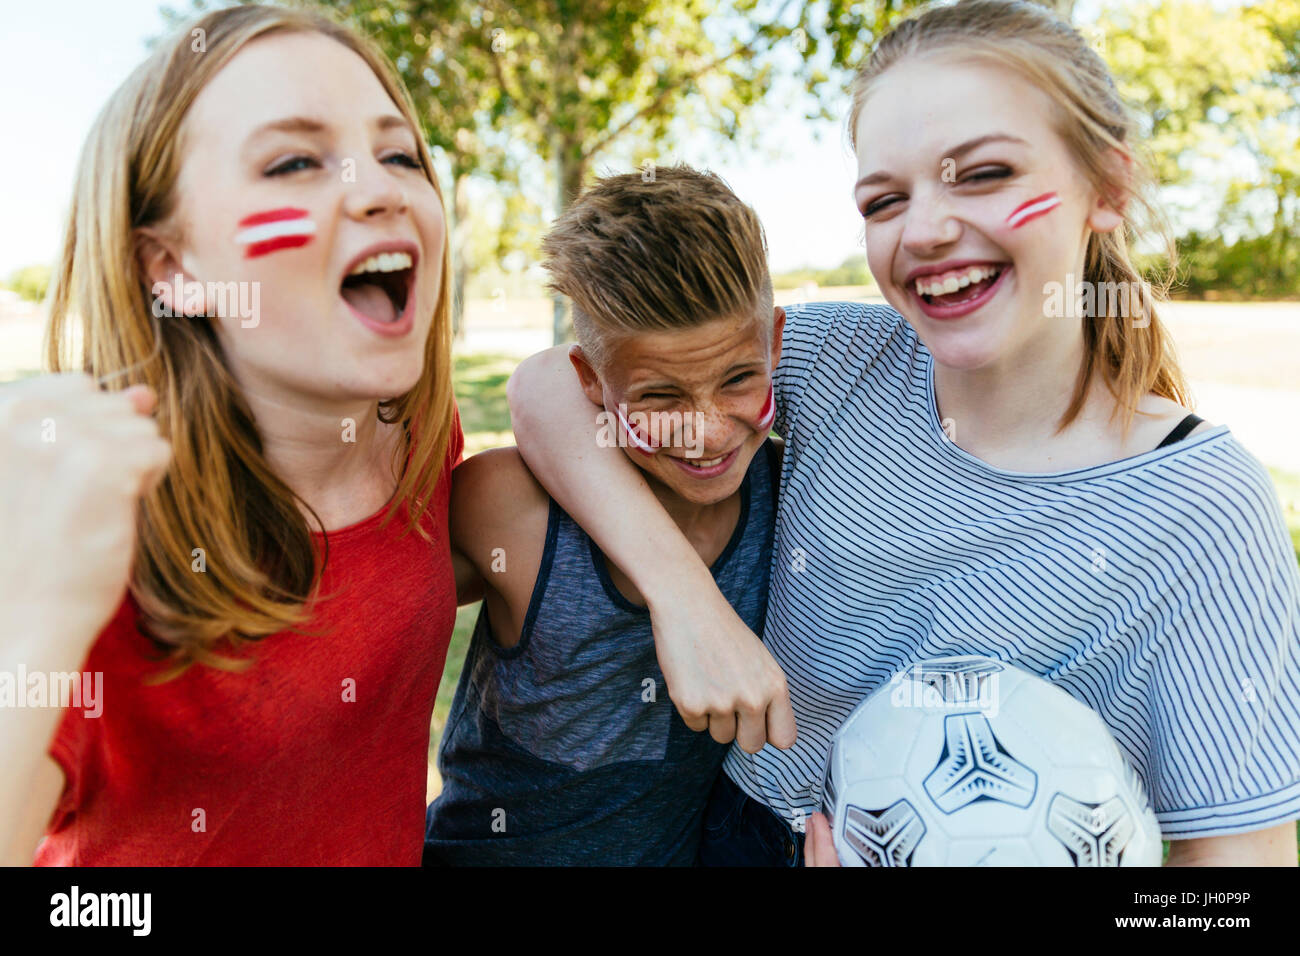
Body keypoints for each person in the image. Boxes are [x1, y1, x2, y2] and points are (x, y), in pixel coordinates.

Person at [506, 0, 1300, 866]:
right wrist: (686, 601)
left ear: (1105, 188)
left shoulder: (1203, 506)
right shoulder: (843, 359)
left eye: (985, 174)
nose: (924, 230)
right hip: (733, 830)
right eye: (886, 198)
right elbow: (548, 386)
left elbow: (1233, 877)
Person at [0, 4, 464, 865]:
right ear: (170, 268)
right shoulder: (99, 540)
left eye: (400, 154)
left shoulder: (419, 446)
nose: (382, 189)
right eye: (294, 162)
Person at [425, 166, 785, 865]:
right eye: (660, 396)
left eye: (739, 378)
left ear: (774, 341)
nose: (707, 433)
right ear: (589, 380)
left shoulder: (793, 496)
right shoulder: (514, 511)